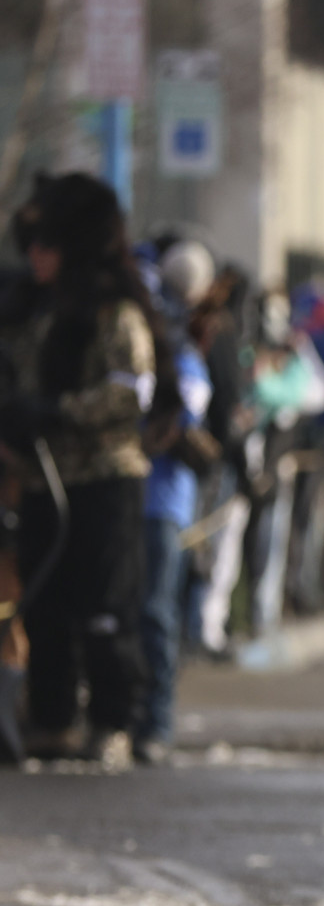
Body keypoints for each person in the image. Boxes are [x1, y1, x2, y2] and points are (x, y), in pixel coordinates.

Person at [0, 174, 156, 766]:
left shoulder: (114, 312)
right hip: (43, 476)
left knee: (105, 608)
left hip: (103, 476)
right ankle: (52, 716)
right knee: (46, 608)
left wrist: (59, 410)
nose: (37, 257)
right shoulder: (29, 312)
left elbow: (130, 391)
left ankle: (113, 720)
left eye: (49, 246)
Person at [135, 241, 218, 765]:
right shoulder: (130, 351)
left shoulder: (183, 358)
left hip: (164, 502)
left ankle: (156, 720)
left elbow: (182, 417)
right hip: (125, 499)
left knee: (155, 612)